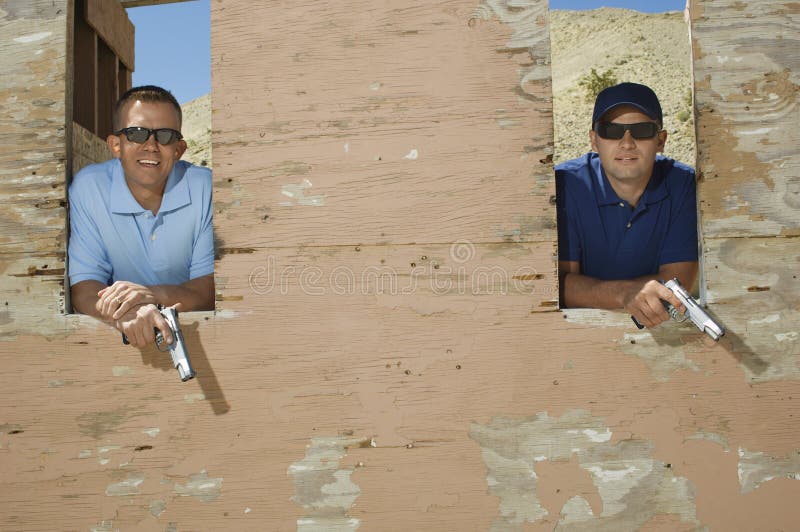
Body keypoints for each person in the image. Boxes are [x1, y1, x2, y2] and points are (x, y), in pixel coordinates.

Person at [69, 85, 214, 348]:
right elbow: (83, 288)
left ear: (179, 149)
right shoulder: (90, 188)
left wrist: (149, 296)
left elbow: (207, 290)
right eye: (136, 134)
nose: (151, 146)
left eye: (165, 135)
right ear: (115, 145)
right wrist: (127, 311)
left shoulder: (205, 188)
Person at [556, 82, 698, 328]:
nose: (627, 142)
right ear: (594, 140)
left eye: (641, 130)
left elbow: (677, 283)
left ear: (661, 140)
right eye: (611, 130)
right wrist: (626, 294)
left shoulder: (682, 184)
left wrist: (599, 291)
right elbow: (560, 286)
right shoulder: (566, 185)